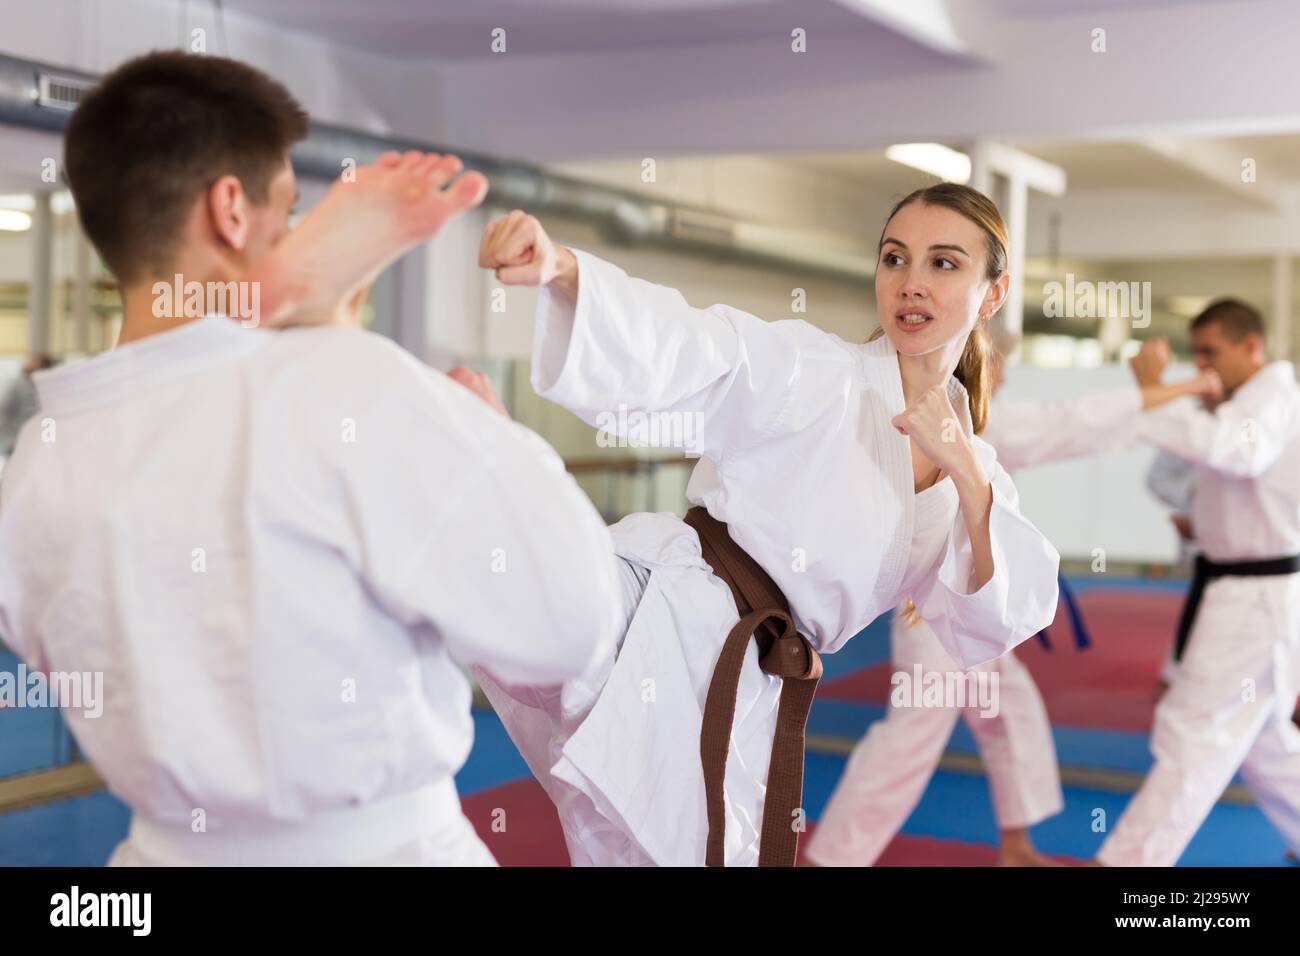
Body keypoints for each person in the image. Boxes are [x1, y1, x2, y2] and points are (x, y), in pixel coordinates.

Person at [0, 51, 621, 867]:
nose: (291, 227)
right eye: (288, 210)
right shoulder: (344, 389)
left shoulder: (36, 462)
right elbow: (573, 624)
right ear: (230, 209)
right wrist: (486, 435)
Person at [472, 183, 1062, 866]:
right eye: (895, 258)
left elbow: (996, 620)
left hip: (753, 681)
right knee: (537, 597)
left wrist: (965, 469)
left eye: (944, 263)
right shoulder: (819, 373)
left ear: (993, 294)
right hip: (660, 603)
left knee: (655, 850)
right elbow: (703, 345)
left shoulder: (975, 468)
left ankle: (504, 489)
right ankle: (498, 483)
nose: (911, 283)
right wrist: (569, 273)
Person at [806, 336, 1217, 867]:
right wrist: (1183, 386)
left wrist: (1156, 389)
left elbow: (1082, 419)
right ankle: (830, 860)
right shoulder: (973, 423)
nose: (1004, 374)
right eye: (999, 362)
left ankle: (1017, 847)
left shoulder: (970, 419)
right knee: (910, 736)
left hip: (978, 604)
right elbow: (1079, 419)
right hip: (935, 613)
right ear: (980, 365)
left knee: (1010, 713)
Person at [1096, 299, 1300, 866]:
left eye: (1213, 352)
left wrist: (1153, 389)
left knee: (1193, 737)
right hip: (1246, 593)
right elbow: (1219, 470)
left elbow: (1238, 450)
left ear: (1251, 347)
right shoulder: (1240, 403)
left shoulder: (1273, 395)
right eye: (1198, 353)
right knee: (1266, 747)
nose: (1203, 365)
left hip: (1253, 600)